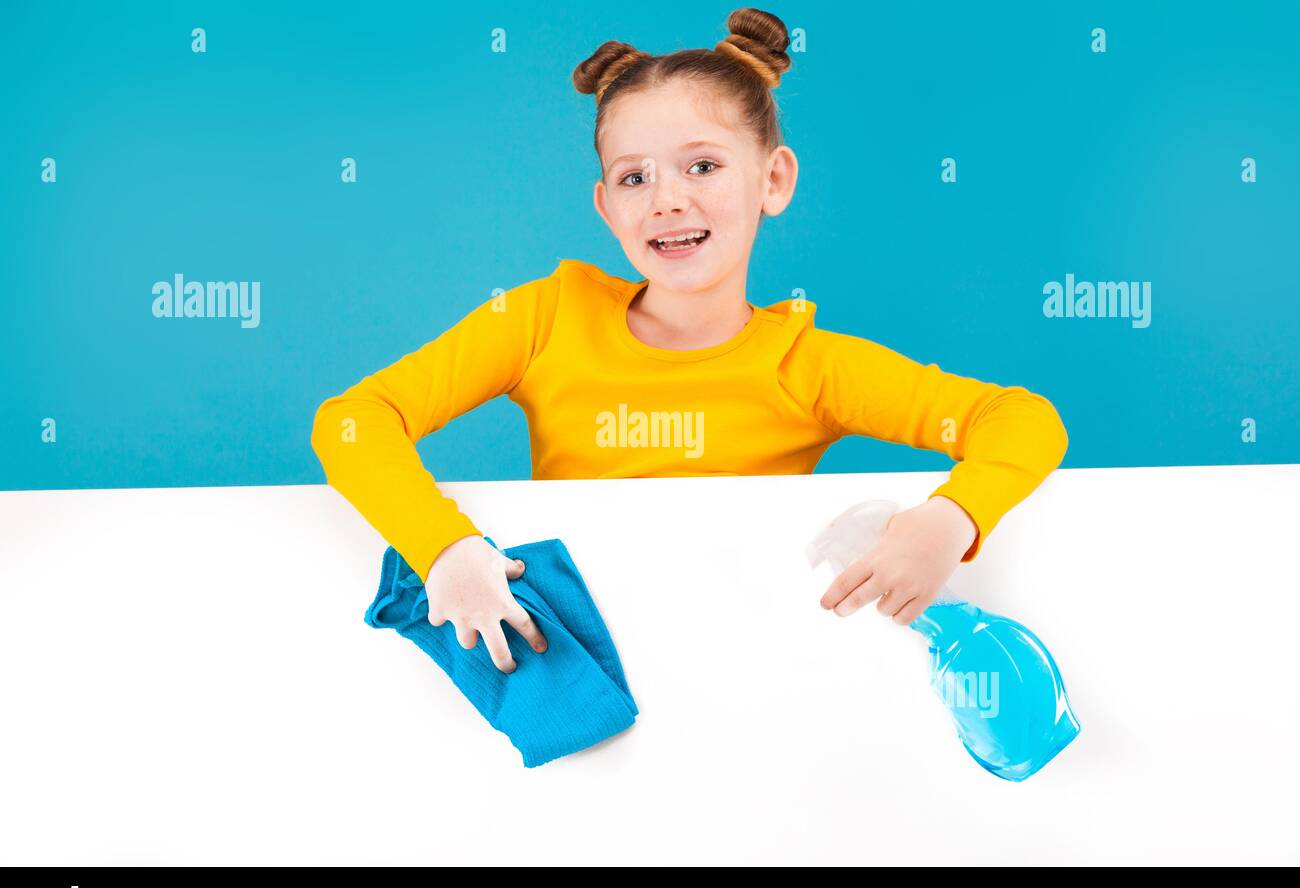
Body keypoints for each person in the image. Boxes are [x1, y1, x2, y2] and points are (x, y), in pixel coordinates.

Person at [311, 7, 1069, 675]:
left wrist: (948, 519)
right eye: (635, 179)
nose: (668, 198)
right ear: (607, 208)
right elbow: (352, 421)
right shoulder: (544, 320)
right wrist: (443, 549)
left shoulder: (808, 366)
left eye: (702, 165)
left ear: (773, 180)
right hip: (588, 656)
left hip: (740, 666)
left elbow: (1023, 420)